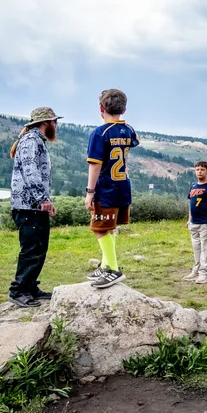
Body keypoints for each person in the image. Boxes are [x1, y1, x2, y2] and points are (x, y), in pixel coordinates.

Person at [84, 89, 139, 289]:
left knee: (99, 229)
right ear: (123, 109)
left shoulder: (100, 133)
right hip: (123, 186)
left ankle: (114, 269)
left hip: (106, 188)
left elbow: (95, 165)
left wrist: (90, 193)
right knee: (110, 227)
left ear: (101, 108)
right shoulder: (129, 130)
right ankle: (106, 264)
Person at [7, 107, 61, 308]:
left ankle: (30, 287)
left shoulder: (35, 140)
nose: (56, 126)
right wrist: (42, 199)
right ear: (46, 122)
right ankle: (18, 291)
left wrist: (45, 201)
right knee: (31, 249)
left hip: (34, 206)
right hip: (28, 206)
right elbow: (31, 171)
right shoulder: (31, 141)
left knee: (39, 247)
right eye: (55, 122)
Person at [185, 161, 207, 284]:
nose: (199, 171)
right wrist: (189, 219)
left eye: (202, 169)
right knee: (196, 248)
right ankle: (196, 270)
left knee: (206, 248)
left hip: (205, 223)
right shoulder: (193, 186)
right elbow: (191, 203)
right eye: (197, 169)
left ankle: (205, 273)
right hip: (194, 223)